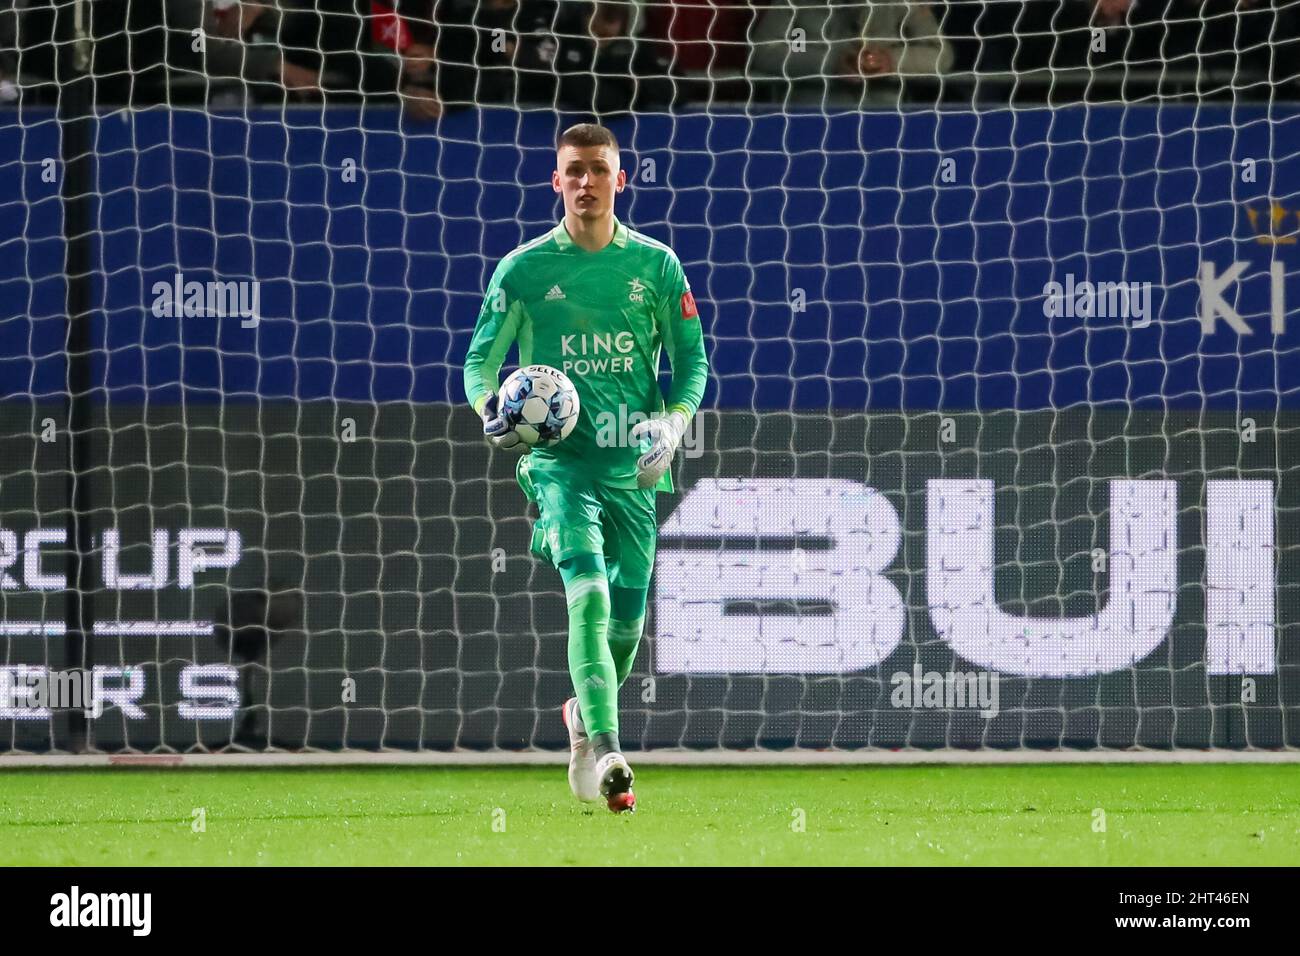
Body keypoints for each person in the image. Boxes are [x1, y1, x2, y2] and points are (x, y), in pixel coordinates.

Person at [461, 123, 709, 813]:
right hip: (558, 466)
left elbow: (691, 364)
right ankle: (607, 750)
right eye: (574, 170)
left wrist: (674, 419)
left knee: (626, 627)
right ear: (556, 180)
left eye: (599, 169)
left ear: (619, 180)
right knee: (590, 594)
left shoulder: (657, 268)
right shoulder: (523, 269)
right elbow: (479, 363)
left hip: (634, 468)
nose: (586, 181)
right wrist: (492, 408)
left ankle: (579, 717)